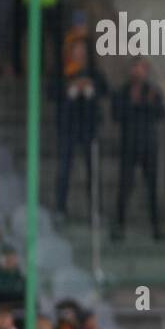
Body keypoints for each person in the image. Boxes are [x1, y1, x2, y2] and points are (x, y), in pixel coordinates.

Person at [112, 57, 165, 240]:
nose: (139, 72)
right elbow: (117, 114)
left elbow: (161, 113)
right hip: (129, 144)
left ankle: (156, 227)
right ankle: (119, 226)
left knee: (152, 188)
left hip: (148, 147)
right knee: (124, 187)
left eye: (143, 68)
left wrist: (146, 104)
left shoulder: (152, 92)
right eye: (137, 68)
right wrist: (134, 104)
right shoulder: (124, 92)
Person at [53, 39, 103, 221]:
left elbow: (104, 91)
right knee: (65, 169)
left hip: (89, 128)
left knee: (93, 172)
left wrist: (89, 90)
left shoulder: (94, 73)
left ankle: (95, 210)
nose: (80, 55)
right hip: (68, 128)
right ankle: (60, 209)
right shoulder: (63, 73)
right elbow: (53, 93)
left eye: (83, 51)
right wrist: (72, 90)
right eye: (77, 51)